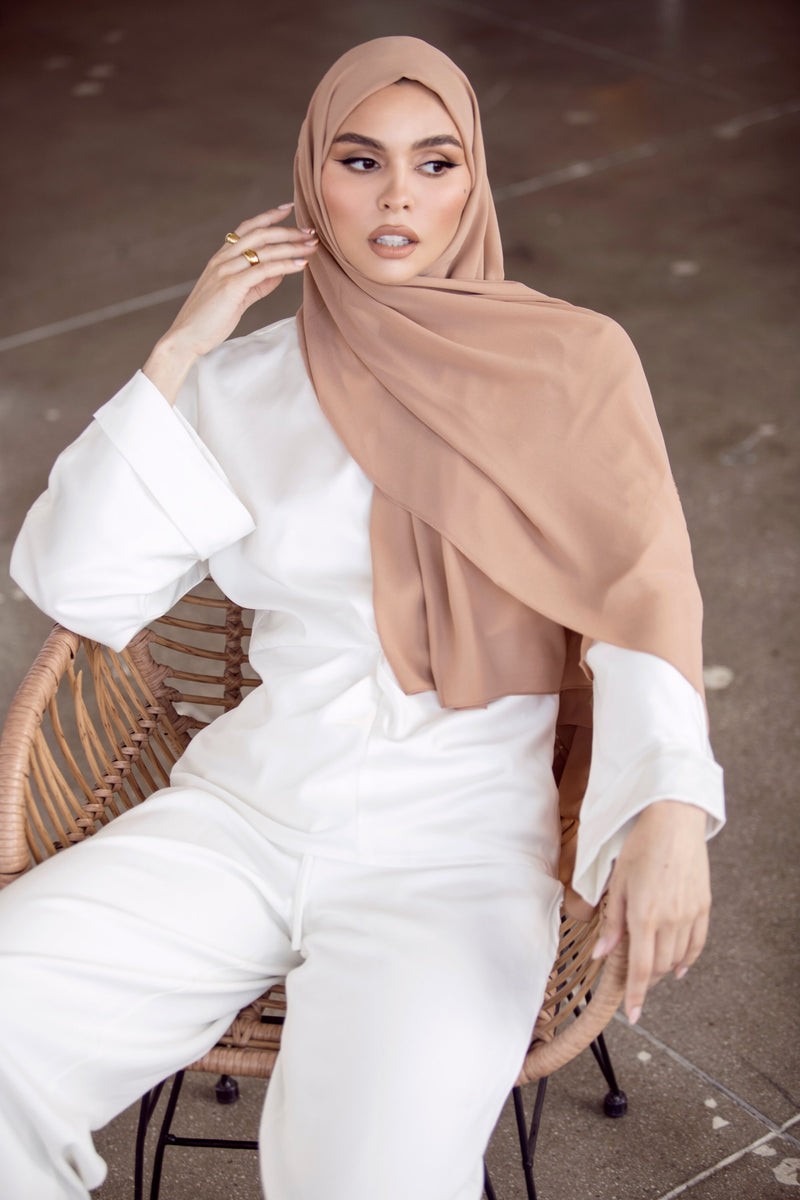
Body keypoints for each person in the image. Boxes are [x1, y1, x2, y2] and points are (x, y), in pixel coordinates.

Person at [0, 36, 724, 1200]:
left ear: (472, 180)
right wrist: (180, 350)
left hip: (457, 853)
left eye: (434, 163)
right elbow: (78, 584)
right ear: (310, 181)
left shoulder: (571, 362)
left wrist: (671, 806)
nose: (397, 196)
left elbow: (639, 590)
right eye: (359, 160)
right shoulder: (244, 382)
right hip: (240, 818)